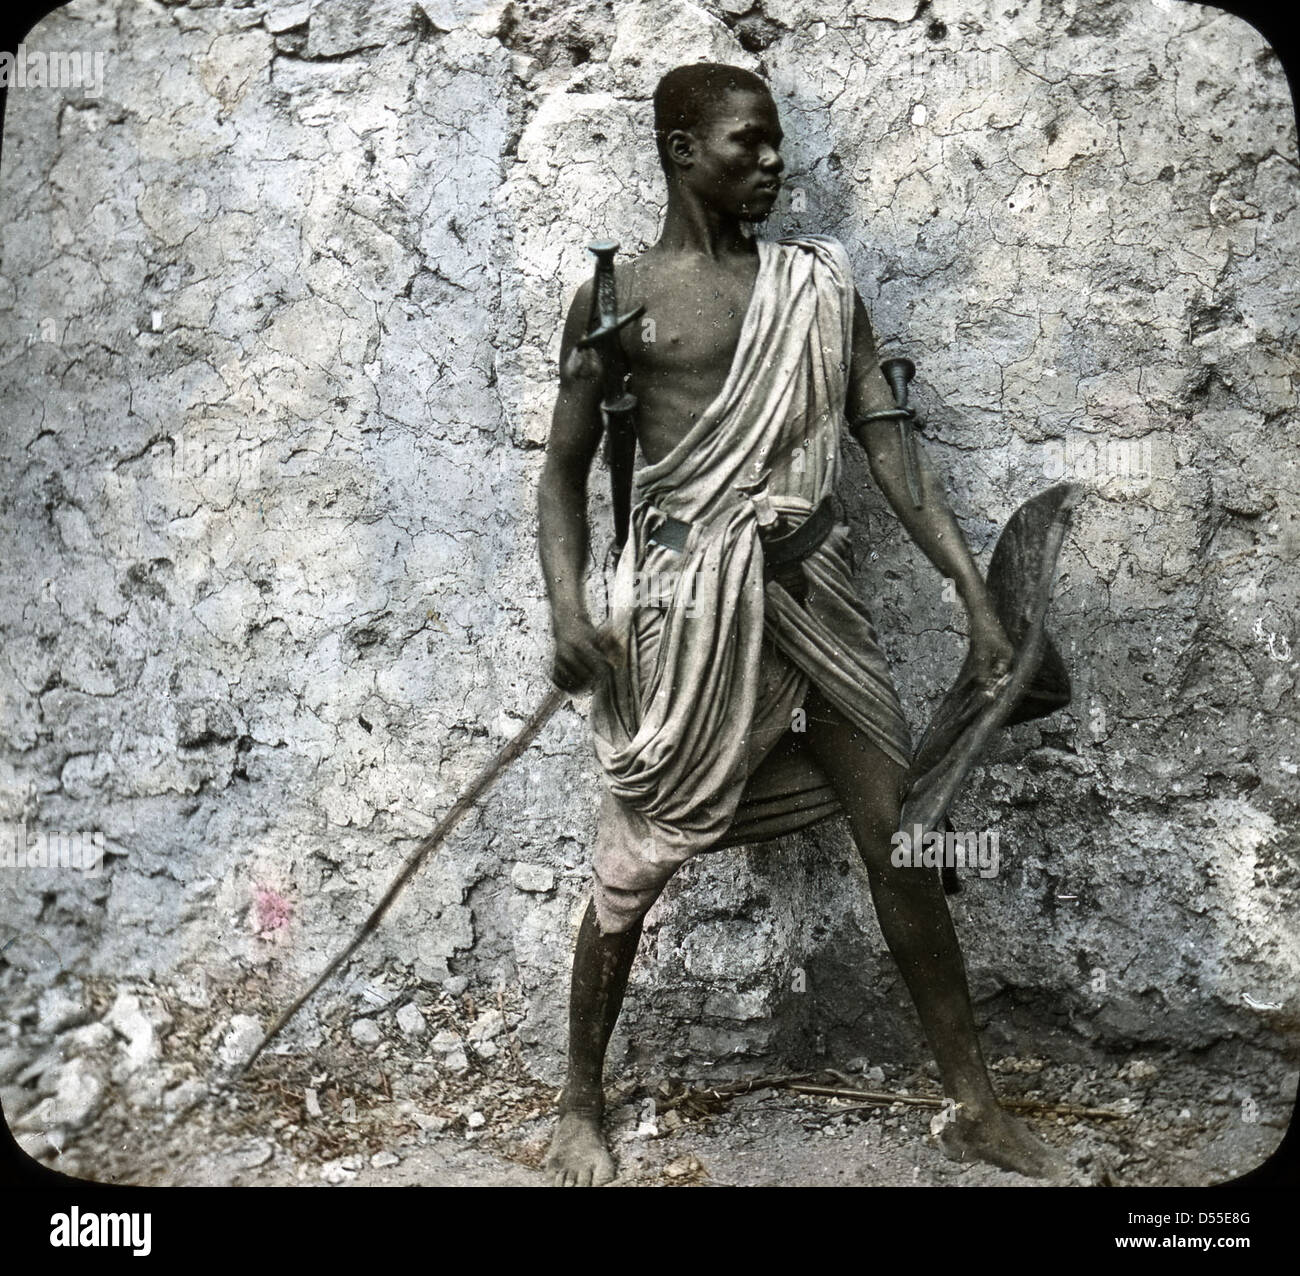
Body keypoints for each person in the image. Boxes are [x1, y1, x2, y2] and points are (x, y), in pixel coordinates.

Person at [536, 62, 1064, 1185]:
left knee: (903, 841)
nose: (773, 161)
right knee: (635, 860)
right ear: (682, 151)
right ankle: (579, 1101)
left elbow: (890, 452)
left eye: (776, 140)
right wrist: (568, 608)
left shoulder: (818, 286)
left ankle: (975, 1107)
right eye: (748, 142)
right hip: (686, 612)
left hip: (816, 596)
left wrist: (975, 600)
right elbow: (561, 477)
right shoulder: (616, 298)